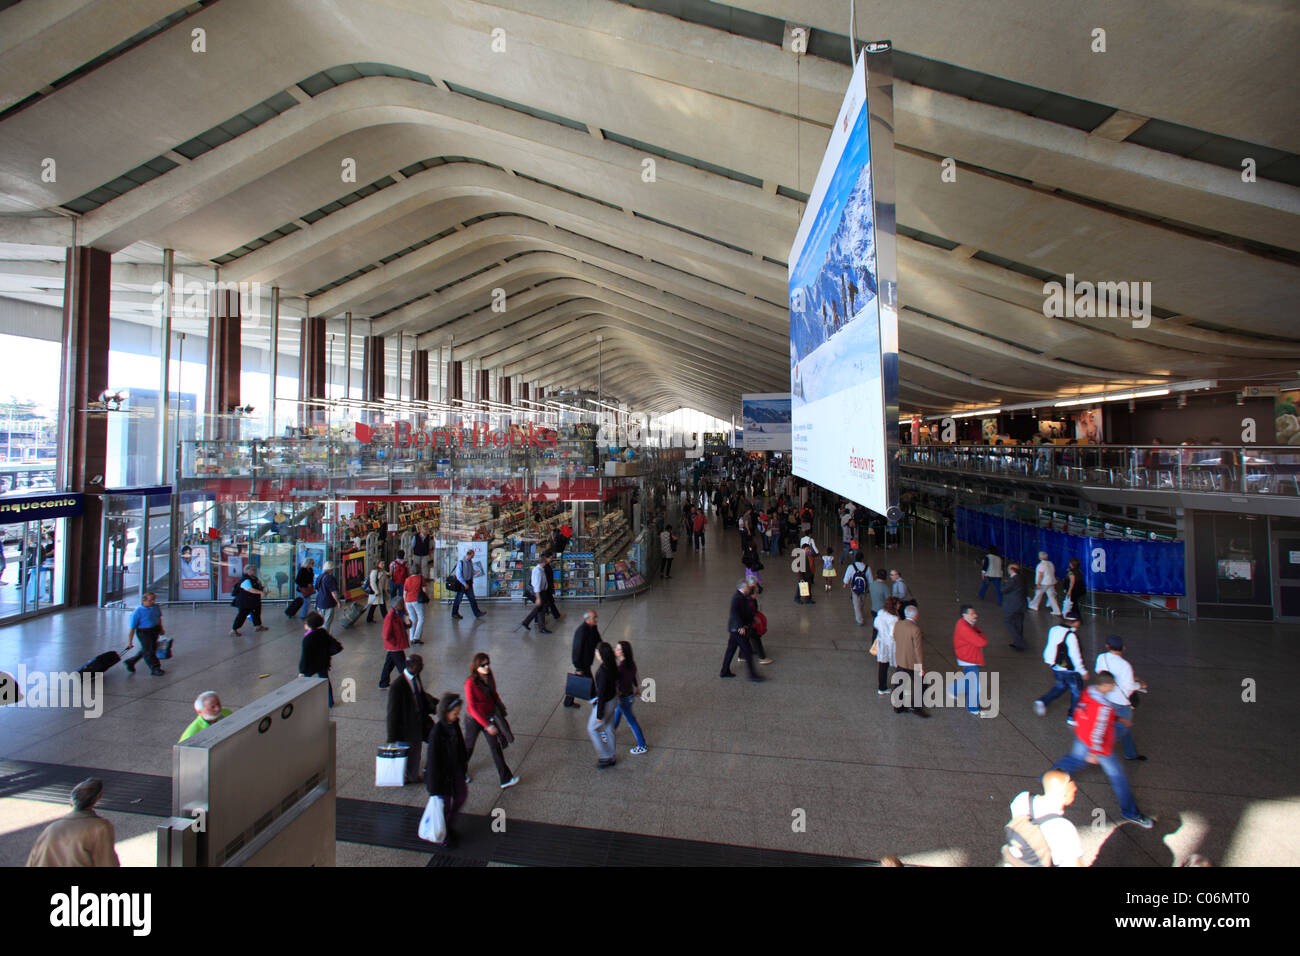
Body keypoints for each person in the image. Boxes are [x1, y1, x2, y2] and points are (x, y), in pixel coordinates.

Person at [1051, 673, 1154, 828]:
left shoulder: (1090, 692)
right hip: (1099, 747)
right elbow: (1099, 729)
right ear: (1106, 686)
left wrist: (1117, 719)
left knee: (1073, 761)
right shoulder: (1104, 706)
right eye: (1112, 685)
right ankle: (1130, 812)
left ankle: (1048, 779)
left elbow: (1085, 711)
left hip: (1083, 735)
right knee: (1118, 776)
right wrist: (1094, 752)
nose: (1113, 687)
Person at [26, 778, 119, 867]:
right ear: (99, 797)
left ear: (71, 801)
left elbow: (33, 860)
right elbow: (106, 862)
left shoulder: (51, 828)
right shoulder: (100, 827)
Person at [1002, 770, 1084, 867]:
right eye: (1072, 790)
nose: (1075, 790)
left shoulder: (1022, 799)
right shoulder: (1062, 827)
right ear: (1063, 792)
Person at [463, 653, 520, 789]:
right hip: (474, 720)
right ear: (476, 667)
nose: (486, 667)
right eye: (483, 665)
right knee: (469, 747)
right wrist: (487, 725)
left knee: (495, 747)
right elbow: (472, 707)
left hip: (489, 715)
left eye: (488, 663)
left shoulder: (489, 676)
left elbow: (493, 693)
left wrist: (499, 706)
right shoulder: (470, 683)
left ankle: (505, 778)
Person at [424, 692, 469, 845]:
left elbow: (460, 745)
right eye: (455, 713)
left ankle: (448, 825)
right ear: (446, 712)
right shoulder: (437, 733)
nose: (457, 716)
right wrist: (434, 788)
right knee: (444, 806)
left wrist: (463, 763)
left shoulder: (453, 724)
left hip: (455, 771)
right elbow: (433, 762)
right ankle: (444, 835)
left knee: (461, 796)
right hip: (443, 779)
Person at [1095, 635, 1147, 761]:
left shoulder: (1102, 657)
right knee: (1122, 727)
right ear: (1123, 648)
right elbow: (1129, 686)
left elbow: (1099, 672)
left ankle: (1131, 753)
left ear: (1107, 646)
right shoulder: (1125, 665)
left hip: (1106, 697)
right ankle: (1097, 749)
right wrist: (1140, 684)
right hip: (1121, 701)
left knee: (1123, 726)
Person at [388, 653, 437, 784]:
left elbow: (420, 694)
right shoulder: (397, 686)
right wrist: (392, 736)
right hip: (407, 727)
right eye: (421, 664)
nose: (423, 666)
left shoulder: (415, 677)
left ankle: (413, 774)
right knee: (408, 753)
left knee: (417, 751)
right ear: (413, 666)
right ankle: (408, 775)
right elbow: (392, 712)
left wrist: (434, 704)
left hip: (420, 721)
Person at [1035, 614, 1088, 723]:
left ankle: (1043, 701)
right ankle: (1072, 716)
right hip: (1069, 669)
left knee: (1061, 686)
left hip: (1056, 666)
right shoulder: (1071, 636)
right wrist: (1083, 671)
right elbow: (1075, 656)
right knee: (1077, 692)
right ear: (1076, 622)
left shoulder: (1054, 629)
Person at [952, 605, 992, 717]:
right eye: (972, 614)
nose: (975, 615)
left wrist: (978, 632)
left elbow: (977, 634)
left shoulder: (963, 623)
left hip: (966, 656)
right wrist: (980, 634)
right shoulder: (966, 628)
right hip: (969, 658)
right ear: (964, 615)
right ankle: (972, 707)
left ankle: (953, 690)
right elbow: (982, 642)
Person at [720, 578, 762, 681]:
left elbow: (745, 611)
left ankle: (724, 671)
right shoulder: (737, 598)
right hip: (738, 630)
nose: (749, 588)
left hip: (734, 629)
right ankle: (753, 675)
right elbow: (734, 613)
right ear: (743, 587)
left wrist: (753, 618)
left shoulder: (741, 596)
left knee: (730, 650)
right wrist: (740, 626)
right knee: (747, 652)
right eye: (747, 586)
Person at [298, 610, 343, 707]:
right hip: (323, 662)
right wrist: (327, 653)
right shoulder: (323, 632)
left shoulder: (307, 639)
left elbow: (305, 656)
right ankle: (330, 702)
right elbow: (337, 646)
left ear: (309, 624)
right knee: (325, 681)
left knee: (304, 683)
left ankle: (304, 702)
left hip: (311, 665)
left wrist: (301, 671)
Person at [892, 605, 928, 717]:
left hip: (900, 658)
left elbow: (894, 637)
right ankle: (915, 706)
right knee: (921, 684)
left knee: (899, 683)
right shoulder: (915, 629)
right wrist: (921, 667)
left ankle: (898, 707)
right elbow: (918, 650)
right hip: (912, 663)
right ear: (916, 615)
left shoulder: (898, 624)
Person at [612, 640, 648, 755]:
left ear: (623, 653)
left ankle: (642, 745)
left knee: (631, 721)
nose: (615, 650)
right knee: (617, 711)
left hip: (623, 697)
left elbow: (619, 684)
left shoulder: (621, 668)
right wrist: (637, 688)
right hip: (630, 695)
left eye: (617, 649)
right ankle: (610, 731)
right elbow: (633, 677)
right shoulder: (630, 663)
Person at [589, 642, 619, 767]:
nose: (595, 654)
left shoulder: (602, 671)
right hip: (613, 700)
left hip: (605, 704)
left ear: (601, 655)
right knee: (609, 728)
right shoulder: (612, 665)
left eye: (596, 652)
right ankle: (611, 755)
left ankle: (604, 756)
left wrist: (599, 714)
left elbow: (601, 695)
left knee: (592, 728)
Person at [564, 609, 600, 708]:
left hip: (587, 661)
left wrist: (604, 649)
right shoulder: (581, 631)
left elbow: (598, 640)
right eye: (594, 618)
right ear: (587, 619)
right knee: (590, 683)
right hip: (582, 663)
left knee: (577, 681)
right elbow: (576, 650)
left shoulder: (593, 627)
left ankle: (568, 702)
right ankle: (595, 701)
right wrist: (578, 667)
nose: (596, 619)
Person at [124, 591, 165, 676]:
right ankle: (155, 668)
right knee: (149, 651)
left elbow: (158, 618)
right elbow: (132, 629)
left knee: (150, 648)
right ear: (144, 601)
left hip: (154, 629)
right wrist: (130, 642)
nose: (153, 602)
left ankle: (131, 661)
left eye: (154, 600)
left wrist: (161, 628)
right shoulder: (137, 612)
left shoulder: (156, 607)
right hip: (144, 632)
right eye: (150, 600)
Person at [379, 596, 410, 689]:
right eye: (402, 604)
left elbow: (403, 626)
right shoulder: (390, 618)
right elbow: (386, 634)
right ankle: (408, 684)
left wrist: (408, 622)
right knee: (402, 666)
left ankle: (383, 683)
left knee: (388, 664)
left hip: (395, 646)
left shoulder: (397, 615)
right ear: (397, 606)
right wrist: (394, 643)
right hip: (395, 647)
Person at [871, 596, 900, 696]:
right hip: (890, 644)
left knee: (882, 665)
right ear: (894, 605)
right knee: (898, 665)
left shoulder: (881, 613)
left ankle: (881, 687)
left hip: (881, 642)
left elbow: (876, 625)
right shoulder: (894, 619)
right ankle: (898, 687)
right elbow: (893, 634)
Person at [520, 553, 553, 633]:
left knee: (540, 609)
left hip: (542, 592)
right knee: (541, 609)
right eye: (545, 562)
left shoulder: (540, 569)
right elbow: (537, 585)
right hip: (539, 593)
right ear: (543, 563)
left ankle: (526, 622)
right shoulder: (538, 571)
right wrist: (538, 598)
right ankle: (541, 628)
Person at [231, 566, 267, 636]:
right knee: (242, 615)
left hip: (253, 600)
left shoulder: (254, 578)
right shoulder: (245, 579)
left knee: (256, 613)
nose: (254, 571)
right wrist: (260, 592)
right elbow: (250, 589)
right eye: (252, 570)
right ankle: (234, 630)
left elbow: (259, 586)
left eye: (254, 570)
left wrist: (263, 591)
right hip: (245, 601)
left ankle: (258, 626)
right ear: (247, 571)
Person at [452, 548, 485, 620]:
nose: (473, 557)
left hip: (469, 583)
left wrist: (475, 572)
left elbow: (471, 571)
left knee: (472, 598)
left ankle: (477, 613)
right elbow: (459, 575)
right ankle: (454, 613)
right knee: (458, 599)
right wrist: (464, 584)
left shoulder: (470, 562)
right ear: (469, 555)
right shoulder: (461, 563)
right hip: (462, 584)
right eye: (472, 556)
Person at [1003, 562, 1028, 650]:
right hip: (1021, 604)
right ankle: (1018, 642)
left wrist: (1005, 583)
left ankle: (1019, 641)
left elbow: (1004, 590)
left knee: (1008, 621)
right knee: (1019, 623)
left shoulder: (1012, 579)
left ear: (1012, 569)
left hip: (1012, 605)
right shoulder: (1022, 578)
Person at [842, 550, 870, 626]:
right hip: (864, 588)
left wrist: (845, 584)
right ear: (862, 559)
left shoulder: (851, 567)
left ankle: (860, 620)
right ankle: (860, 614)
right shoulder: (867, 568)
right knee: (862, 602)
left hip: (855, 588)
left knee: (856, 604)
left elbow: (847, 577)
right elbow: (870, 579)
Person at [315, 560, 342, 631]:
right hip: (328, 603)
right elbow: (333, 592)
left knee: (320, 621)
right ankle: (324, 636)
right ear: (330, 569)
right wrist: (338, 602)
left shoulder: (319, 577)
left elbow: (316, 588)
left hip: (319, 602)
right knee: (327, 622)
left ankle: (319, 634)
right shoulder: (330, 578)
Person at [403, 564, 427, 643]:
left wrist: (405, 602)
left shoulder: (407, 579)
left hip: (408, 601)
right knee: (421, 618)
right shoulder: (421, 578)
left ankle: (411, 637)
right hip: (417, 600)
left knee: (412, 618)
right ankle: (416, 637)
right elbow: (424, 590)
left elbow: (404, 593)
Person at [868, 568, 889, 633]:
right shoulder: (885, 587)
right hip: (882, 611)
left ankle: (874, 641)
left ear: (876, 575)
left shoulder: (872, 585)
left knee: (875, 627)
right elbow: (888, 599)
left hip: (873, 609)